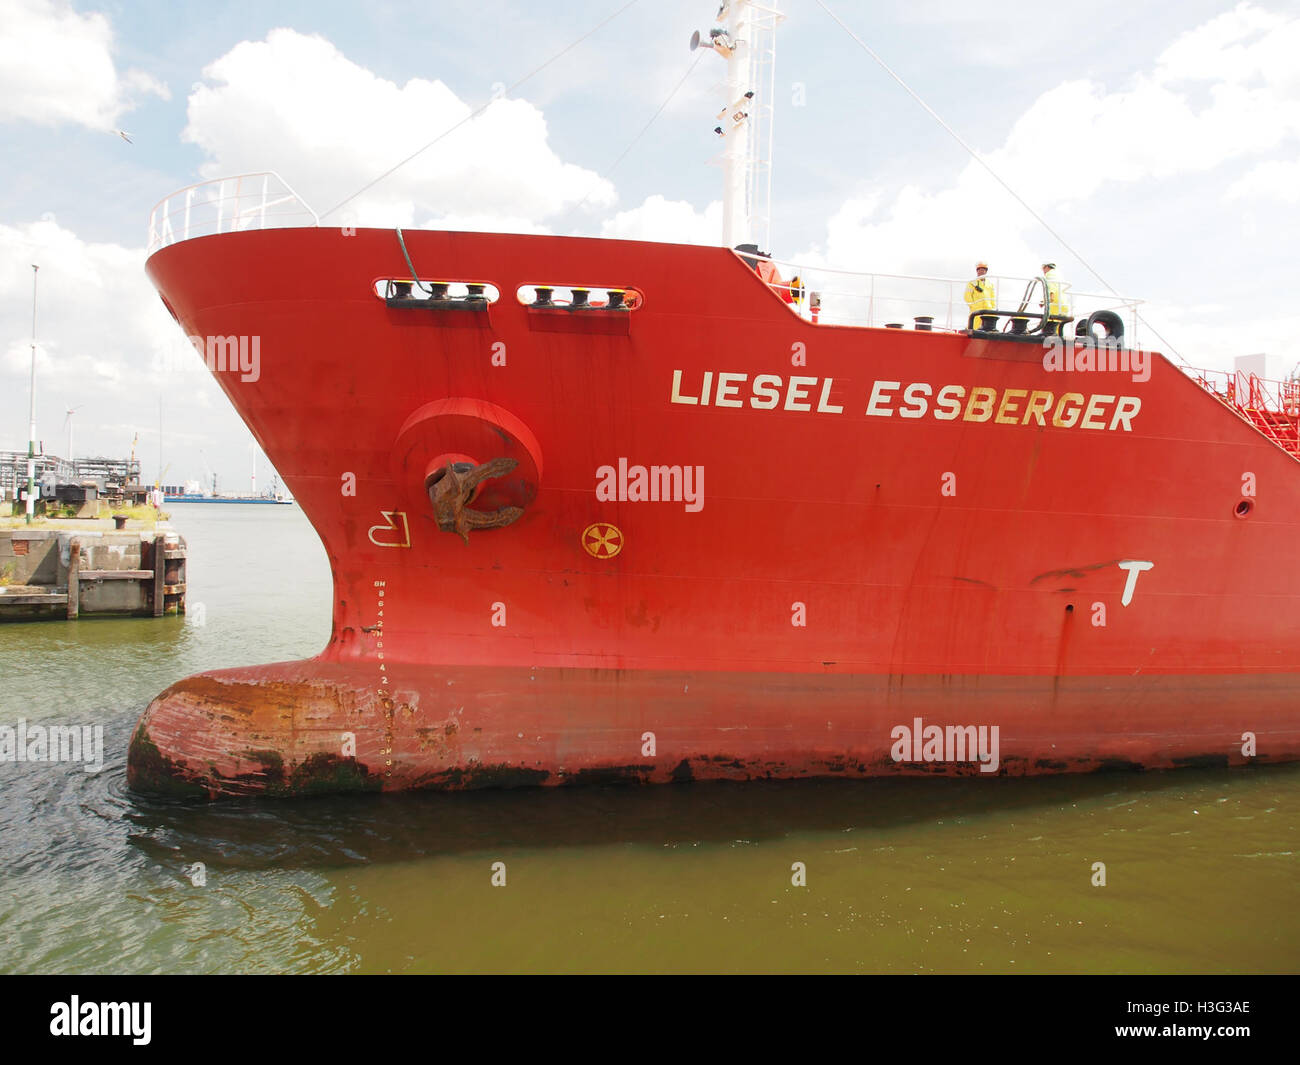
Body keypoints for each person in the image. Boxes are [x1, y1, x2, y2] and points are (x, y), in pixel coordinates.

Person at [963, 261, 996, 329]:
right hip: (976, 311)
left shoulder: (990, 284)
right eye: (979, 270)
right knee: (974, 328)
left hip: (988, 311)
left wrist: (992, 308)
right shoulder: (972, 283)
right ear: (977, 271)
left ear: (986, 271)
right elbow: (967, 297)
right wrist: (973, 306)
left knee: (987, 329)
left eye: (983, 270)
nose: (981, 271)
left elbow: (993, 297)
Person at [1041, 261, 1070, 333]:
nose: (1043, 272)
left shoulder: (1050, 274)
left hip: (1056, 306)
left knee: (1050, 328)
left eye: (1043, 269)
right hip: (1063, 304)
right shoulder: (1058, 274)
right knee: (1058, 328)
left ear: (1046, 267)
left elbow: (1052, 286)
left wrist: (1048, 299)